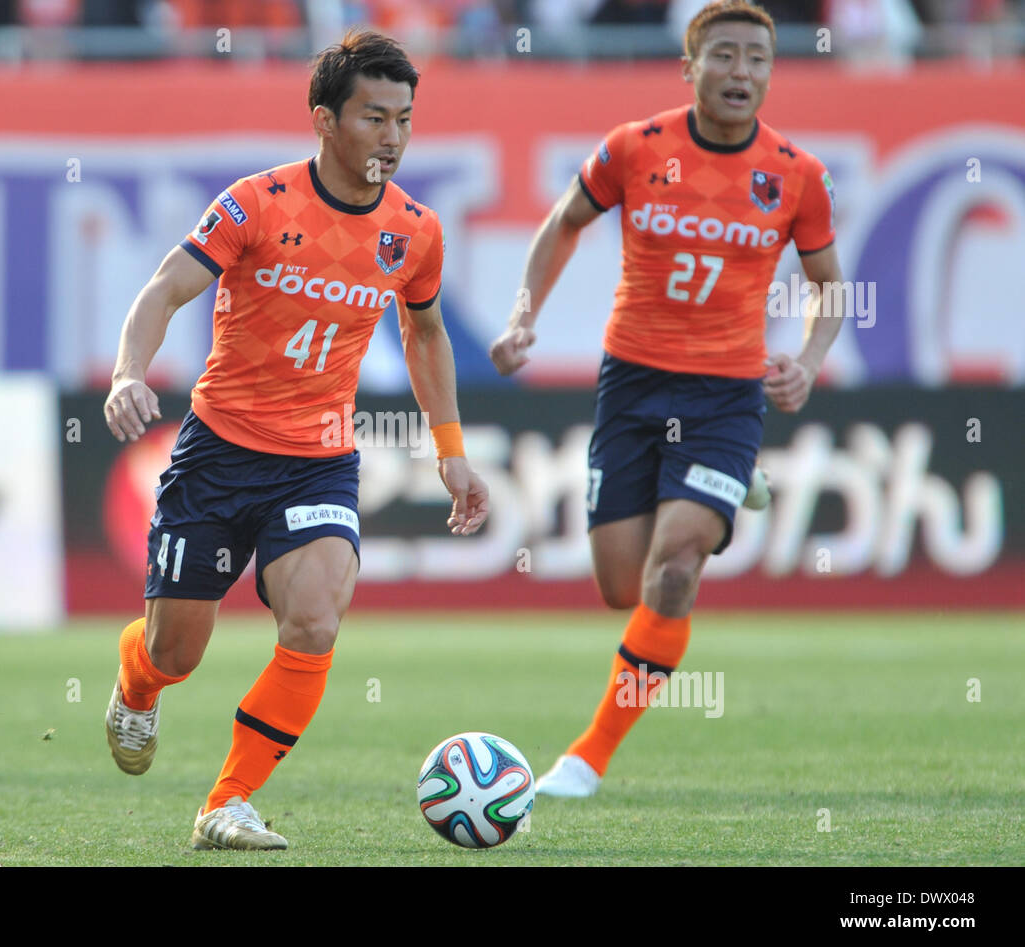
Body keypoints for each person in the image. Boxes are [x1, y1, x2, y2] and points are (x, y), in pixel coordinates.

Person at [102, 29, 489, 849]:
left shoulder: (416, 231)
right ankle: (138, 688)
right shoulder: (257, 203)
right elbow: (165, 289)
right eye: (374, 117)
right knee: (177, 651)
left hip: (318, 462)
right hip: (218, 452)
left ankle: (227, 801)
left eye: (405, 119)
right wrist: (129, 372)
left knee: (315, 620)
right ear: (324, 119)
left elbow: (426, 337)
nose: (392, 137)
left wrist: (450, 449)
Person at [490, 0, 844, 797]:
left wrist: (811, 361)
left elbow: (830, 287)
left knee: (673, 574)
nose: (741, 73)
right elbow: (562, 224)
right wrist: (522, 318)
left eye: (757, 59)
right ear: (689, 68)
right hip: (634, 382)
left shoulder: (797, 175)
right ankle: (723, 486)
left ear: (770, 72)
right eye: (723, 56)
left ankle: (588, 757)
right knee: (622, 587)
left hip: (726, 391)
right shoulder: (635, 149)